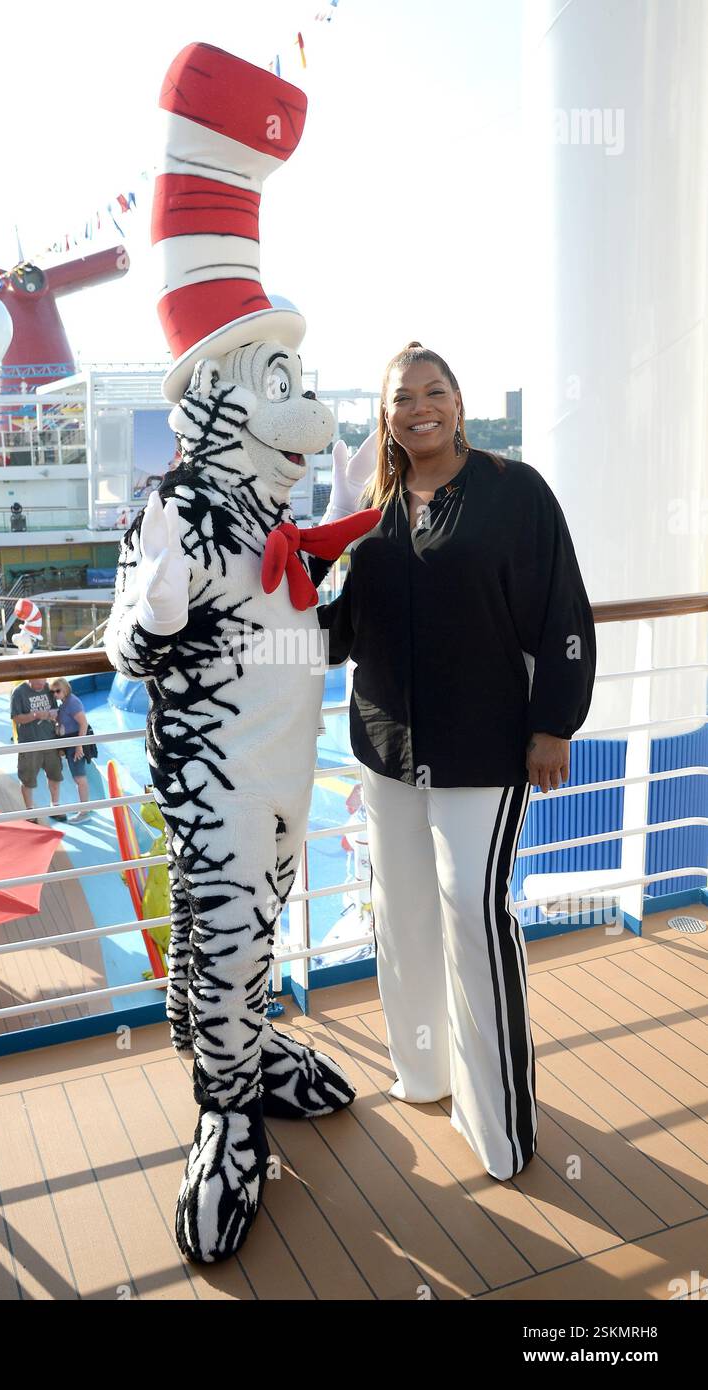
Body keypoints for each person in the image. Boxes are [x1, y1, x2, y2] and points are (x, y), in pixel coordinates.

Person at [316, 342, 597, 1182]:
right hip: (387, 749)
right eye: (403, 398)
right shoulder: (375, 506)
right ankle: (424, 1072)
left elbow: (563, 610)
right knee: (399, 918)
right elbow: (342, 629)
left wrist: (555, 725)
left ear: (459, 403)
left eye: (434, 392)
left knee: (474, 919)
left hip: (485, 748)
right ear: (386, 415)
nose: (420, 408)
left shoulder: (517, 493)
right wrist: (288, 587)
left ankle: (499, 1123)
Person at [10, 676, 66, 820]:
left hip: (50, 740)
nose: (42, 684)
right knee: (27, 778)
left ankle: (55, 806)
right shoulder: (18, 692)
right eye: (38, 681)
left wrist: (57, 720)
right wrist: (36, 715)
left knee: (55, 775)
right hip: (29, 743)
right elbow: (16, 717)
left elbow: (56, 710)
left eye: (44, 680)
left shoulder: (48, 688)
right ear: (30, 678)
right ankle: (30, 812)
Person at [50, 677, 92, 820]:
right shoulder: (64, 703)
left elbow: (83, 723)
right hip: (70, 743)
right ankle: (84, 808)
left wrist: (79, 745)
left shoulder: (72, 702)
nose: (55, 694)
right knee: (77, 778)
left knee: (80, 778)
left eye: (58, 691)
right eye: (52, 692)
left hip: (75, 742)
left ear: (65, 689)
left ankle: (84, 811)